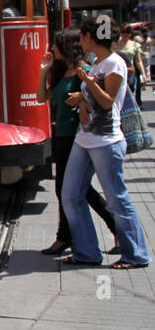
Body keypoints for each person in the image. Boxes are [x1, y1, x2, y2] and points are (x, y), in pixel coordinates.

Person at [60, 15, 151, 269]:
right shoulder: (97, 63)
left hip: (106, 142)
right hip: (85, 139)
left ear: (90, 37)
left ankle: (136, 254)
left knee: (117, 199)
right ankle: (87, 251)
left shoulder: (115, 64)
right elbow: (94, 99)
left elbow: (108, 102)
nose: (80, 41)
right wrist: (82, 96)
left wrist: (88, 84)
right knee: (70, 195)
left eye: (82, 36)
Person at [36, 29, 117, 256]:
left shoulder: (85, 71)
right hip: (62, 136)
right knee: (71, 188)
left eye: (55, 45)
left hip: (78, 137)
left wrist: (82, 98)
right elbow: (42, 98)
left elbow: (102, 97)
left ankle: (67, 237)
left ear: (66, 47)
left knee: (71, 188)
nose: (52, 49)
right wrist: (44, 71)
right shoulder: (63, 73)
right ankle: (71, 236)